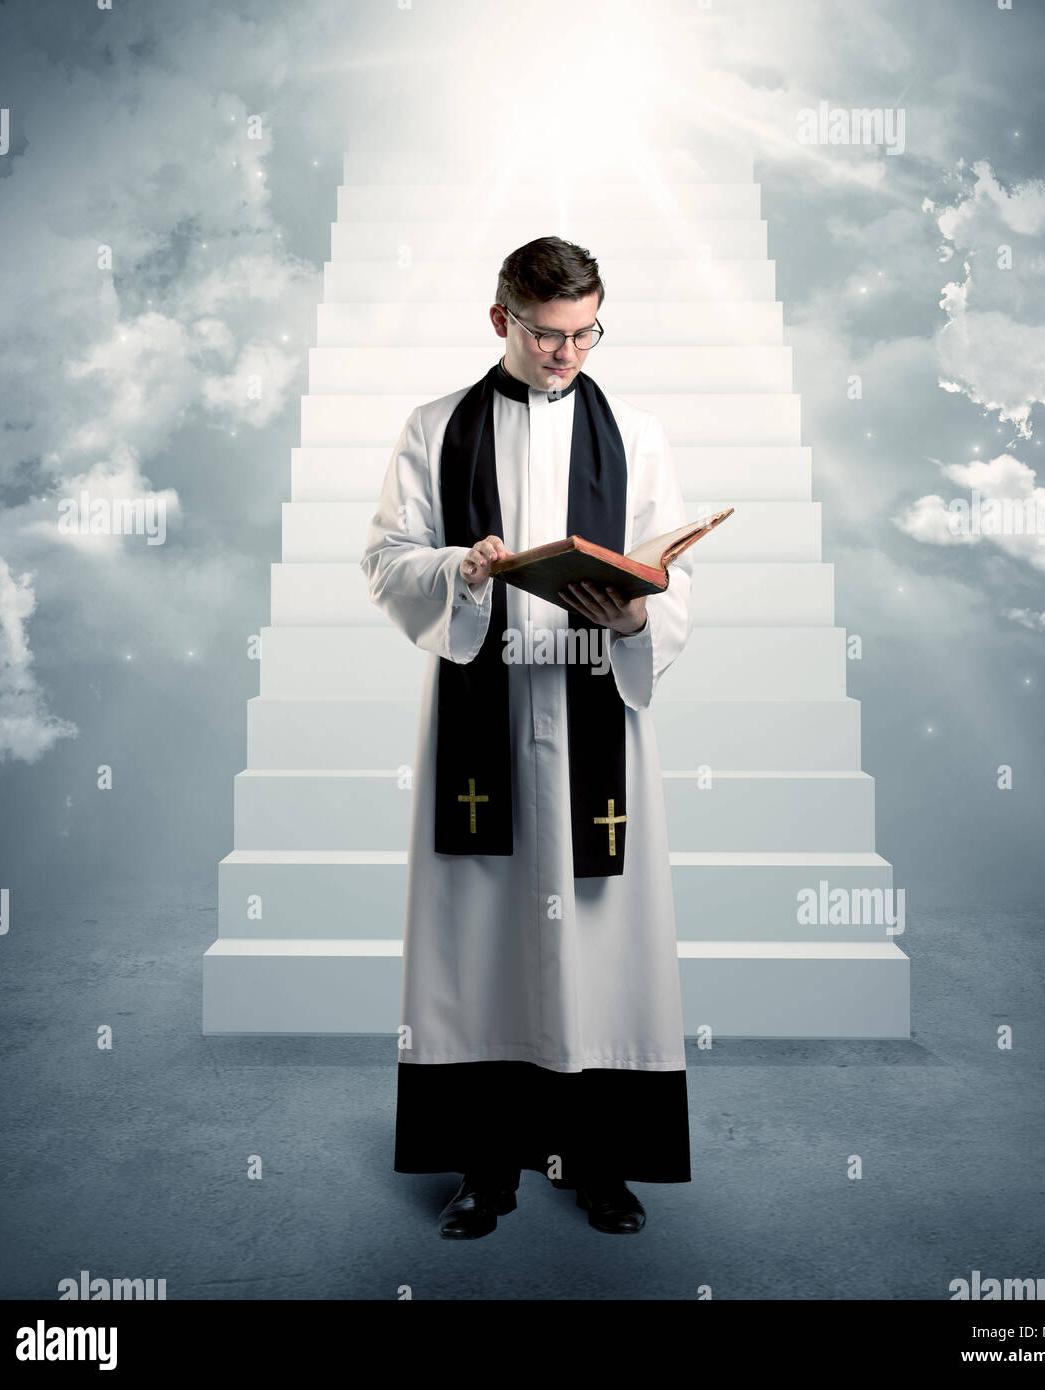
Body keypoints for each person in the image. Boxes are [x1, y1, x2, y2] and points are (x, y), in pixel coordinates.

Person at [361, 235, 694, 1238]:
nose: (567, 354)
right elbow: (386, 560)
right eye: (548, 334)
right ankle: (485, 1170)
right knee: (479, 946)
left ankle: (597, 1160)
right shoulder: (435, 428)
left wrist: (638, 616)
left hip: (594, 716)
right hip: (487, 723)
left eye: (586, 332)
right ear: (500, 319)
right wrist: (461, 569)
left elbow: (667, 572)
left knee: (600, 940)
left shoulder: (631, 430)